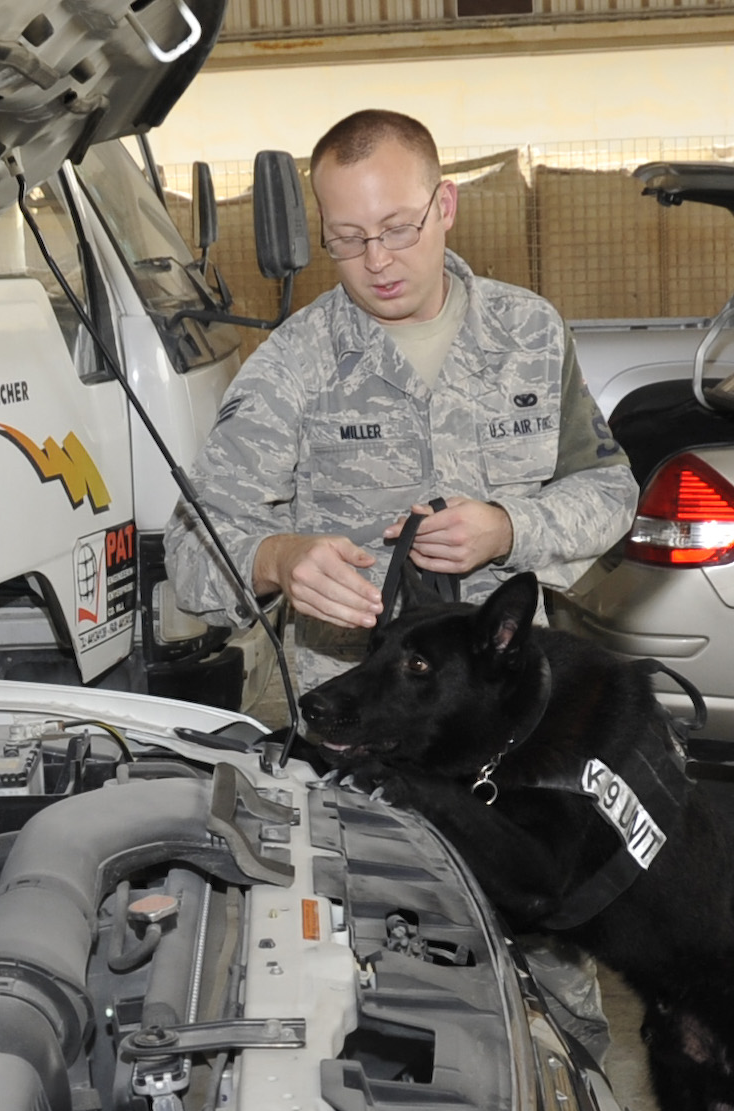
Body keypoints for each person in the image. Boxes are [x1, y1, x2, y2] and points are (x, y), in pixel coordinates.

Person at [164, 108, 638, 695]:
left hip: (507, 711)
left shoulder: (531, 333)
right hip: (357, 715)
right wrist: (275, 559)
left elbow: (610, 492)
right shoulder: (292, 365)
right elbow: (188, 552)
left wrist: (510, 529)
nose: (377, 260)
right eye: (347, 239)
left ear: (444, 207)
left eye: (397, 229)